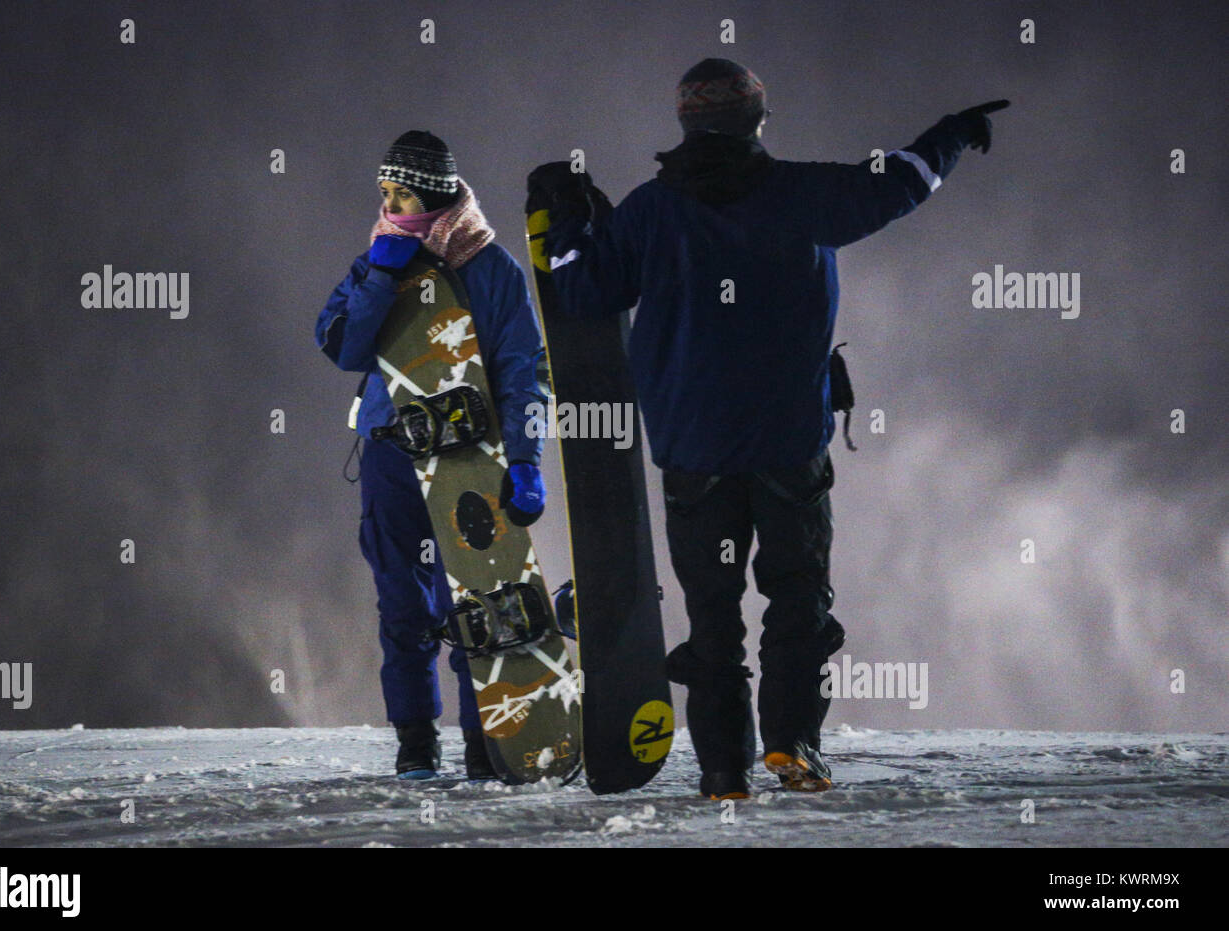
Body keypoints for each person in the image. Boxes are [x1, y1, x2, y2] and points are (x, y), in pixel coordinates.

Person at [536, 59, 1007, 798]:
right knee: (796, 599)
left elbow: (582, 286)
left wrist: (567, 223)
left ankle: (724, 768)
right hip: (789, 444)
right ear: (759, 120)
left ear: (686, 123)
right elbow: (899, 185)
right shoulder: (804, 195)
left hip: (694, 452)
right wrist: (954, 134)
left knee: (712, 614)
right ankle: (792, 745)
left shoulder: (649, 213)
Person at [315, 131, 548, 780]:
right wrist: (380, 278)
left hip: (466, 461)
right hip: (392, 456)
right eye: (385, 192)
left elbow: (523, 368)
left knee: (477, 609)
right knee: (404, 609)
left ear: (437, 193)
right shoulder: (376, 263)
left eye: (404, 192)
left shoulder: (489, 268)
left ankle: (484, 746)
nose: (392, 204)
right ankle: (416, 742)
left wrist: (525, 459)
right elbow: (344, 349)